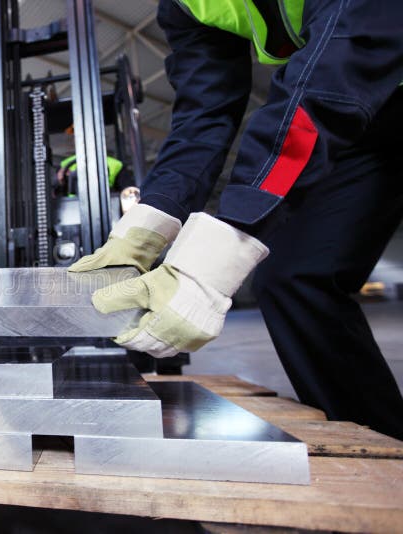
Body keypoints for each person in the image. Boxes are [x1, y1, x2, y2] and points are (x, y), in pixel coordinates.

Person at [71, 0, 403, 440]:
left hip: (368, 82)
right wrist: (140, 232)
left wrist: (214, 263)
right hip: (365, 123)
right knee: (295, 277)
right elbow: (201, 117)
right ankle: (381, 449)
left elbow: (331, 75)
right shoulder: (187, 6)